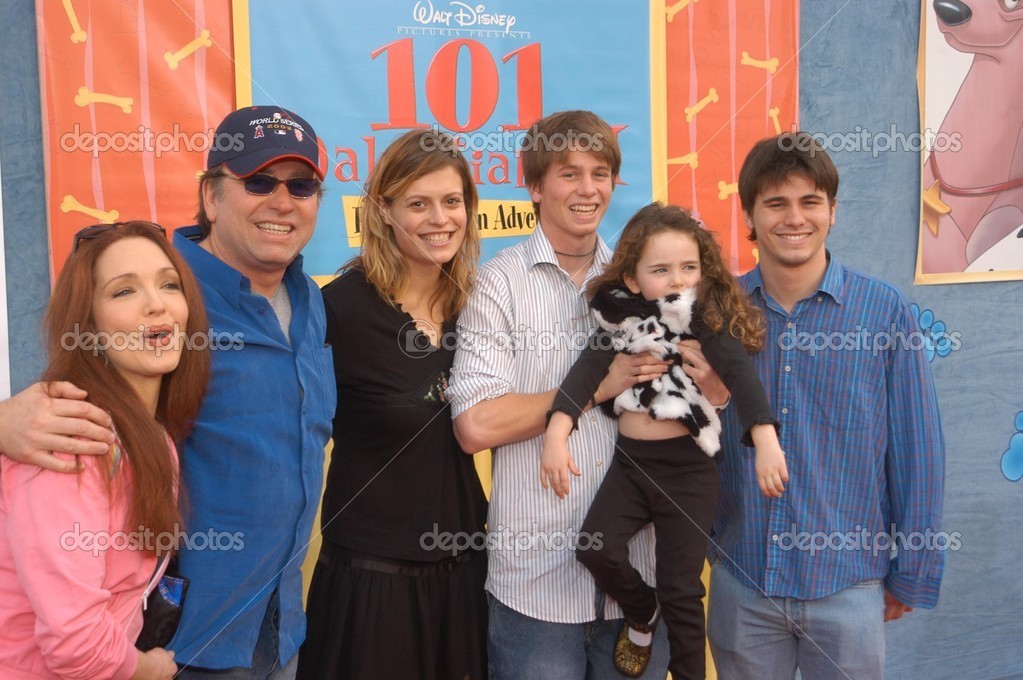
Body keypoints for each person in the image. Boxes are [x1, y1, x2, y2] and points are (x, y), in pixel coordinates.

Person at [0, 105, 337, 678]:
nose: (283, 201)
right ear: (211, 197)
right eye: (258, 181)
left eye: (301, 185)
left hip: (279, 633)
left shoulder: (311, 301)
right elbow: (77, 391)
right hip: (181, 647)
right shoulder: (164, 300)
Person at [447, 110, 728, 679]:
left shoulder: (649, 273)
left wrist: (711, 382)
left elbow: (712, 395)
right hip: (537, 589)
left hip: (639, 580)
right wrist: (601, 385)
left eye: (600, 172)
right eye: (568, 173)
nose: (588, 188)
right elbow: (475, 425)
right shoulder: (496, 285)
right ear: (534, 186)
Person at [705, 132, 945, 679]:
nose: (795, 218)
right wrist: (715, 546)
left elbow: (918, 451)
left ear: (832, 211)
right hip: (744, 584)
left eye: (810, 201)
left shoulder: (883, 312)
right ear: (749, 213)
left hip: (849, 587)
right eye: (776, 203)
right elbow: (692, 435)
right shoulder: (720, 314)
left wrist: (912, 569)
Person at [542, 202, 785, 679]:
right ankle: (640, 609)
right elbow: (586, 373)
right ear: (633, 279)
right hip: (631, 466)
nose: (677, 281)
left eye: (688, 268)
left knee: (683, 589)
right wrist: (556, 431)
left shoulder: (701, 320)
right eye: (661, 270)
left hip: (688, 472)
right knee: (595, 546)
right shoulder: (620, 323)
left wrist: (765, 439)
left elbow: (740, 374)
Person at [297, 129, 488, 679]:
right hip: (371, 582)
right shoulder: (338, 309)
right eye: (418, 203)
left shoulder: (477, 305)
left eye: (452, 202)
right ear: (382, 210)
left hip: (466, 576)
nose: (439, 218)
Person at [0, 220, 210, 679]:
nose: (157, 305)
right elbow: (74, 644)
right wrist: (151, 669)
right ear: (88, 326)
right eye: (123, 292)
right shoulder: (72, 443)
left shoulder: (149, 437)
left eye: (168, 284)